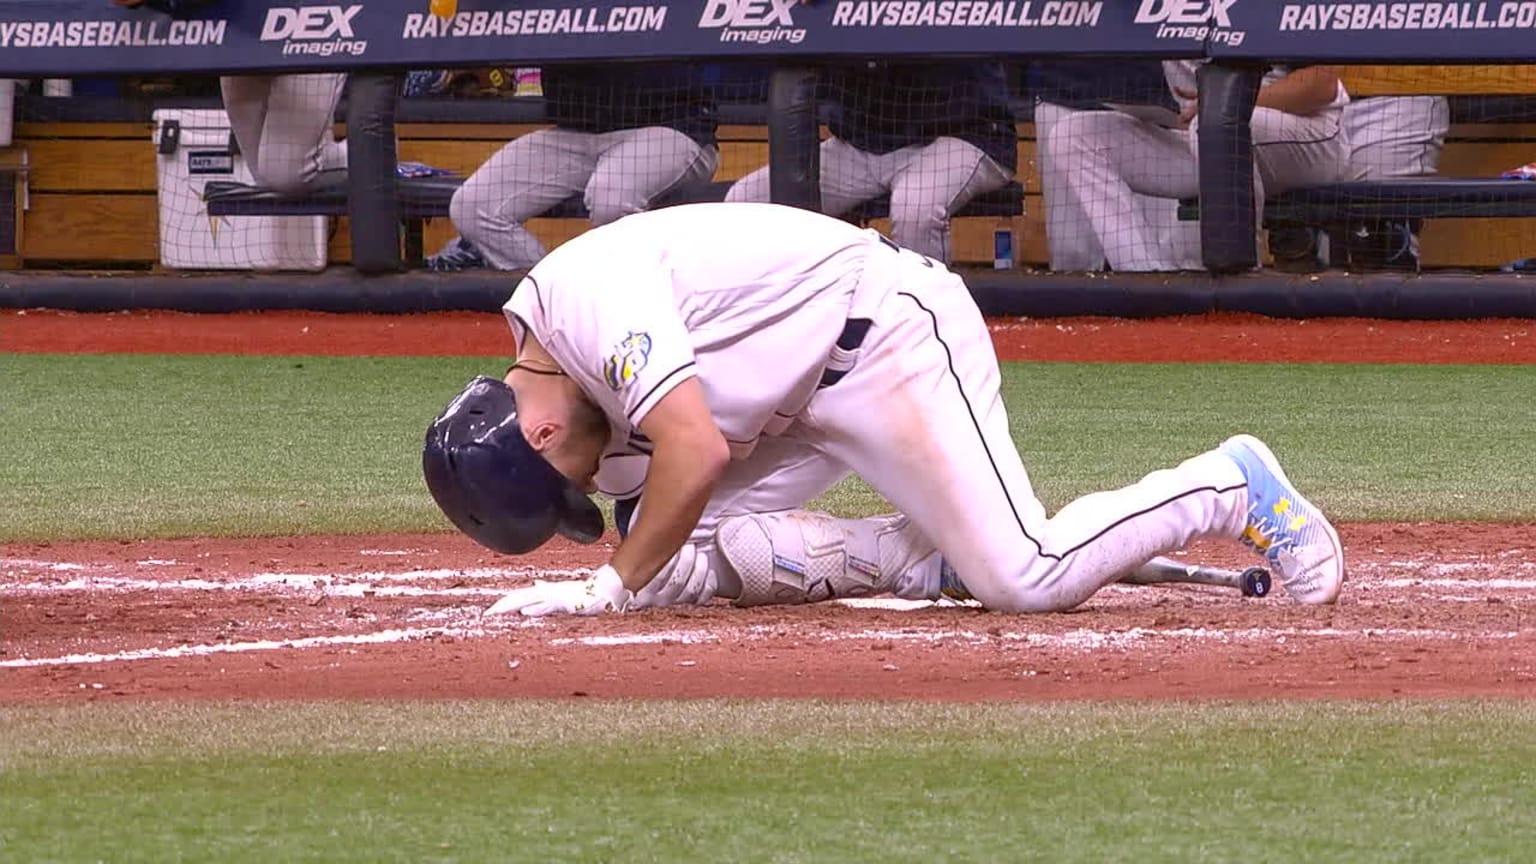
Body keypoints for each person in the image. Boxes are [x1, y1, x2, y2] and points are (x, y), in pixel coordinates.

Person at [420, 202, 1346, 617]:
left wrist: (607, 587)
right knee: (672, 554)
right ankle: (920, 555)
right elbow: (669, 495)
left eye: (564, 484)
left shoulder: (586, 296)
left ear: (539, 435)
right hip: (791, 408)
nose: (583, 487)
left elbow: (694, 454)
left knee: (1026, 578)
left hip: (887, 342)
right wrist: (636, 569)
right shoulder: (577, 409)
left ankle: (1230, 485)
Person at [1047, 61, 1363, 271]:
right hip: (1201, 135)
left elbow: (1322, 83)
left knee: (1213, 125)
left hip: (1313, 137)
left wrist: (1224, 103)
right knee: (1072, 135)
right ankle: (1146, 280)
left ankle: (1243, 282)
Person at [432, 63, 719, 271]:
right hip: (576, 132)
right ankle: (553, 296)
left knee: (612, 198)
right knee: (474, 205)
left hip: (673, 128)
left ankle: (633, 302)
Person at [724, 61, 1017, 265]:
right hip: (860, 144)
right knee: (746, 201)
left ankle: (926, 318)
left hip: (959, 136)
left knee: (915, 208)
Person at [116, 0, 346, 194]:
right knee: (264, 178)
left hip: (310, 27)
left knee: (286, 176)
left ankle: (375, 151)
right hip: (239, 37)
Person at [1030, 59, 1200, 271]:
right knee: (1072, 134)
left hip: (1221, 136)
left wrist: (1225, 97)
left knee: (1184, 256)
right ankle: (1147, 281)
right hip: (1170, 131)